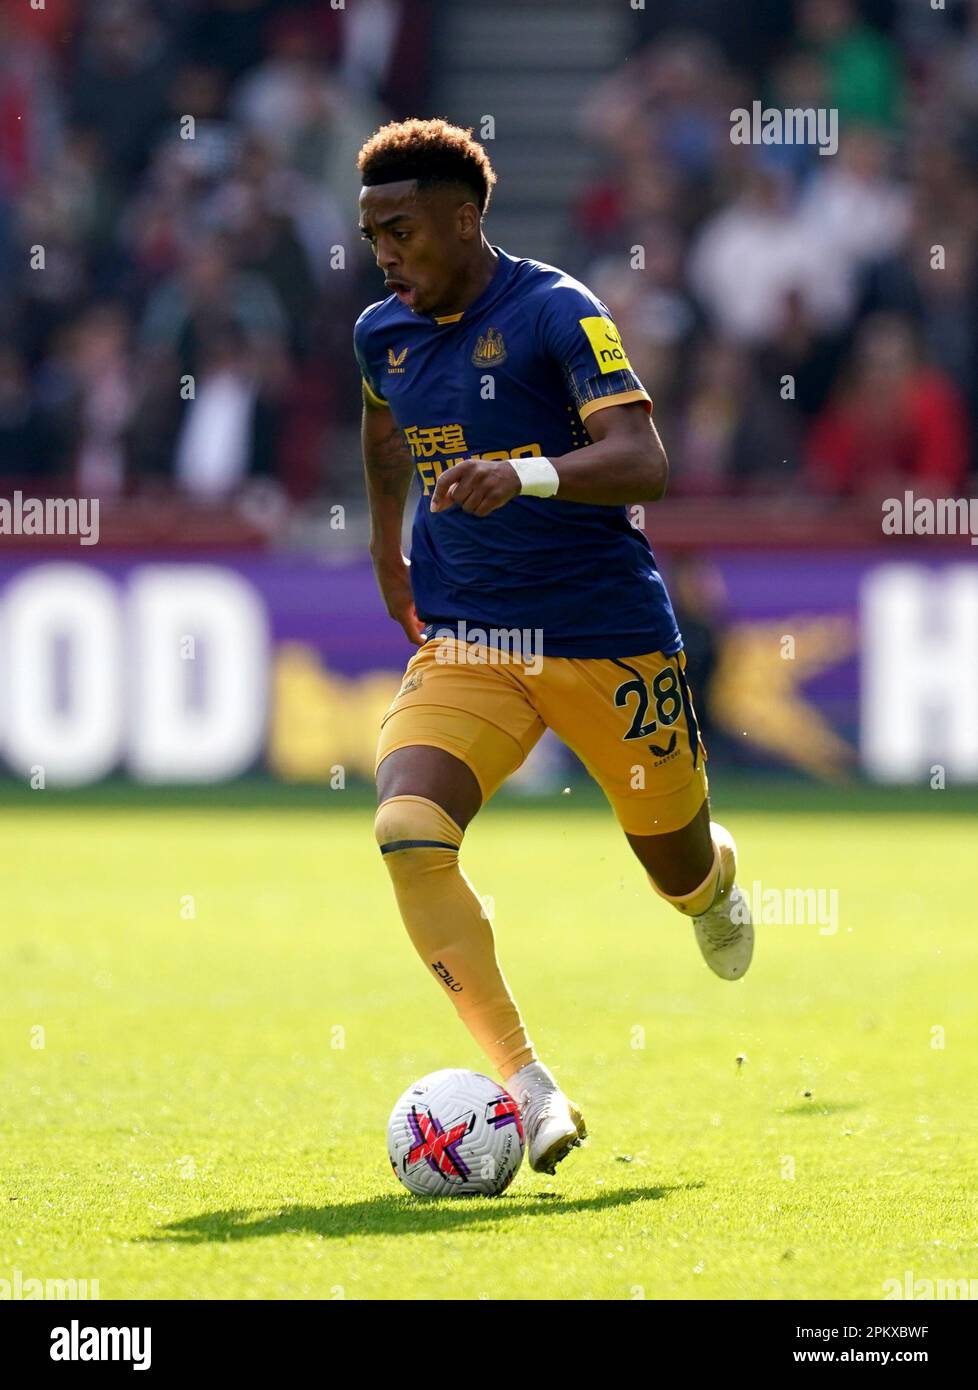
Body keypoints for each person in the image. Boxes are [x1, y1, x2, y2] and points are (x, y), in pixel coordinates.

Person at [354, 118, 753, 1177]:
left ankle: (711, 882)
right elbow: (384, 428)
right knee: (406, 827)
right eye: (371, 234)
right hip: (471, 642)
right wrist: (390, 555)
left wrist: (521, 473)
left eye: (402, 230)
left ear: (465, 217)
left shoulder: (557, 312)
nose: (386, 253)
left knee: (672, 865)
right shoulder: (381, 333)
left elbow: (644, 456)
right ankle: (531, 1091)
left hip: (605, 638)